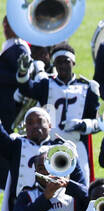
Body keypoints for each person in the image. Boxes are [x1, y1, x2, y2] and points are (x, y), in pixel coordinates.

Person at [20, 43, 99, 177]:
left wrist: (83, 125)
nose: (62, 66)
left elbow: (99, 122)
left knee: (80, 187)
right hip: (50, 147)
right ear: (54, 64)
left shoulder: (87, 88)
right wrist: (23, 71)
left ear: (73, 62)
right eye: (58, 62)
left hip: (78, 145)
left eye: (66, 61)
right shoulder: (46, 84)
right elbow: (26, 89)